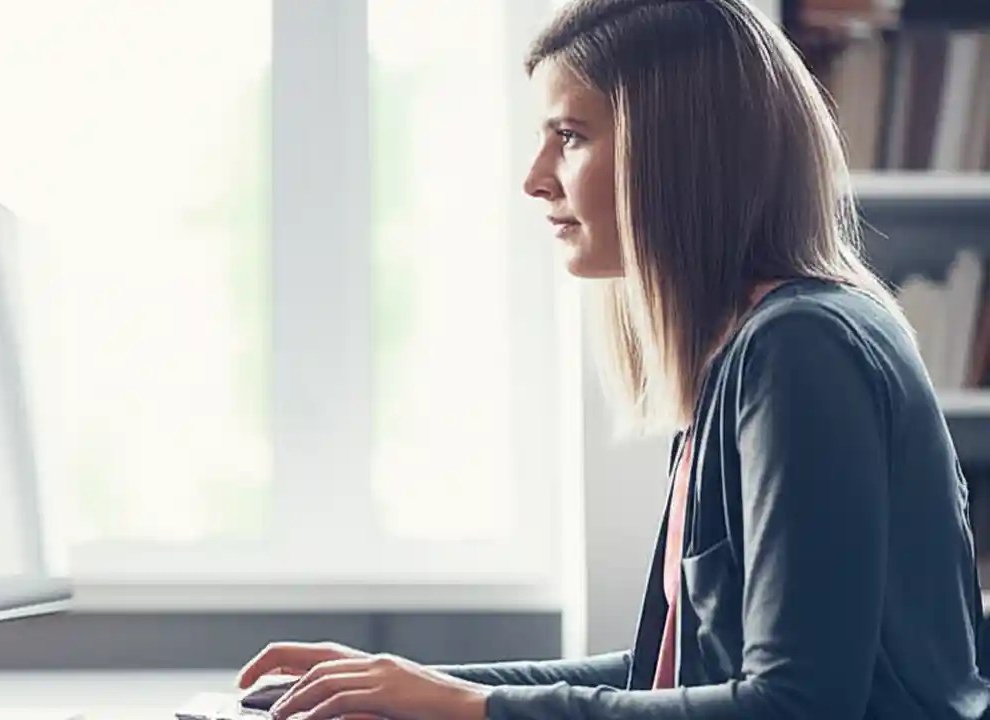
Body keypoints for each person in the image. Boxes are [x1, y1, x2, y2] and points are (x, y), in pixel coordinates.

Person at [235, 0, 990, 718]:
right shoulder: (749, 350)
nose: (535, 178)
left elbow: (794, 706)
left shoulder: (801, 350)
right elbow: (664, 673)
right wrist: (406, 686)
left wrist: (469, 707)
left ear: (679, 151)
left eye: (569, 136)